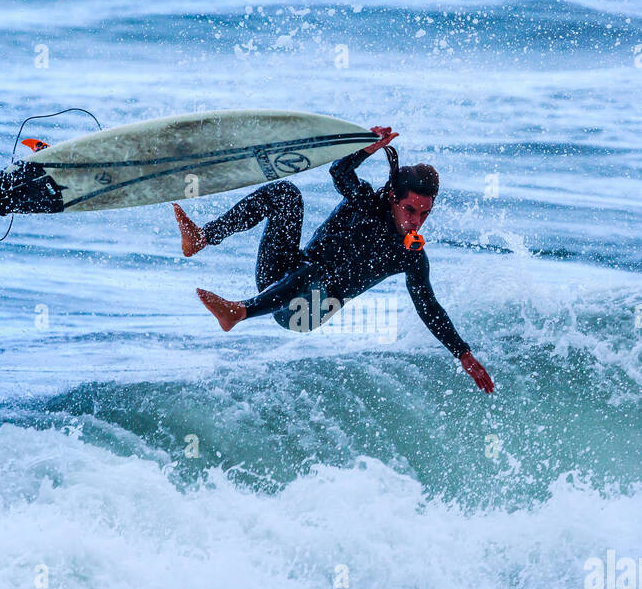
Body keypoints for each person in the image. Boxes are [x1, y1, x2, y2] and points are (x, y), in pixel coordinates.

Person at [173, 126, 494, 393]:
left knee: (320, 271)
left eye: (424, 214)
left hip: (305, 313)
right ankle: (201, 238)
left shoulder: (410, 256)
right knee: (285, 195)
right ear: (394, 199)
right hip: (281, 279)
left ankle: (240, 312)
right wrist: (367, 148)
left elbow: (429, 306)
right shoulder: (364, 200)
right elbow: (339, 170)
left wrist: (463, 354)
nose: (416, 222)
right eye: (410, 210)